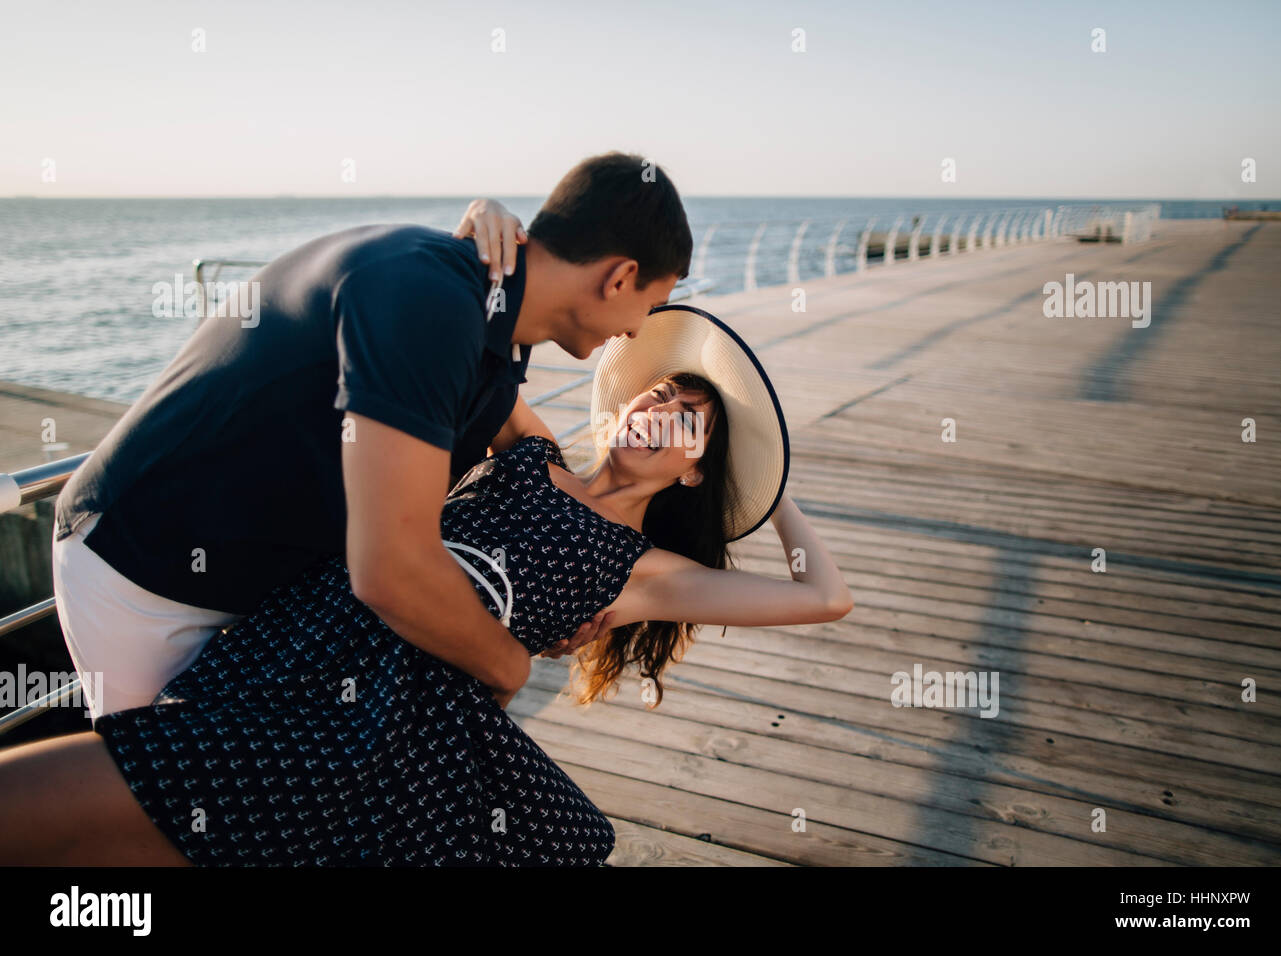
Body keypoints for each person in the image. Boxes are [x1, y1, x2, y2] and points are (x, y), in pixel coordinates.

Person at [0, 305, 853, 866]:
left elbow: (823, 598)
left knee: (94, 807)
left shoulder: (639, 572)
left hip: (392, 733)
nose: (658, 408)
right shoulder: (532, 452)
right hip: (295, 646)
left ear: (697, 472)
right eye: (658, 392)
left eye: (688, 418)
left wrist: (774, 495)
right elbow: (479, 337)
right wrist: (483, 230)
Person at [49, 151, 693, 722]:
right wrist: (509, 663)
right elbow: (388, 571)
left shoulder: (494, 321)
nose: (636, 331)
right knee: (157, 820)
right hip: (144, 571)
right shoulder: (432, 301)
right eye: (649, 304)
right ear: (618, 278)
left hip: (268, 596)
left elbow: (535, 458)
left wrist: (565, 593)